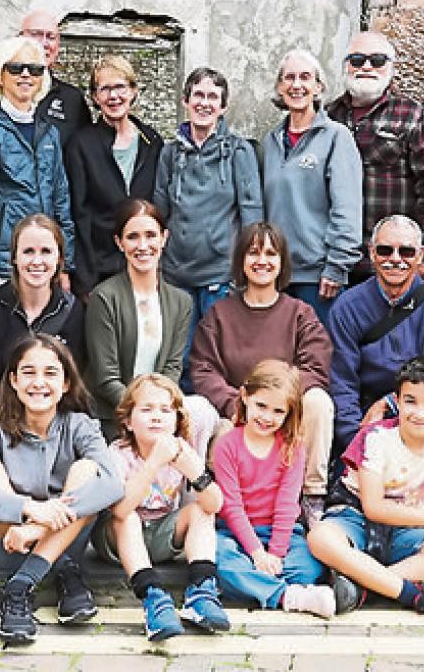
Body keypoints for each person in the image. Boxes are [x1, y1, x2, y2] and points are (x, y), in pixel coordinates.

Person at [0, 335, 123, 645]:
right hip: (6, 542)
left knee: (87, 471)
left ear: (66, 383)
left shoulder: (81, 425)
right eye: (28, 372)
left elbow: (112, 484)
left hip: (62, 538)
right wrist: (27, 509)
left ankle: (19, 587)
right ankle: (65, 571)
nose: (39, 382)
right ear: (13, 380)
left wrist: (38, 528)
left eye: (50, 373)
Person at [307, 357, 424, 622]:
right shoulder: (376, 437)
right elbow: (373, 507)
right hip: (356, 519)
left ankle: (365, 588)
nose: (419, 413)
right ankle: (416, 595)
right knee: (320, 537)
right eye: (410, 401)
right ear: (397, 402)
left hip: (405, 532)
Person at [189, 222, 334, 522]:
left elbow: (315, 366)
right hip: (236, 417)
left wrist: (275, 404)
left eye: (270, 253)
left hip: (285, 415)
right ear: (241, 260)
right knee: (201, 413)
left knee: (318, 401)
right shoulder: (220, 314)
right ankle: (219, 505)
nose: (262, 261)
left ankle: (312, 495)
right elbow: (204, 369)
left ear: (282, 263)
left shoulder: (299, 313)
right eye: (253, 253)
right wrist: (238, 405)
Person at [94, 374, 229, 641]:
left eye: (165, 410)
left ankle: (201, 591)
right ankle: (153, 597)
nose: (156, 417)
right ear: (128, 421)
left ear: (177, 420)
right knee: (128, 518)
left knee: (200, 510)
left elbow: (215, 504)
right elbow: (119, 510)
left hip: (161, 533)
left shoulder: (182, 451)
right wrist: (154, 461)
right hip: (117, 539)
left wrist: (195, 472)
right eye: (146, 409)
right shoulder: (117, 453)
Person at [328, 215, 424, 458]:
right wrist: (356, 443)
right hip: (368, 416)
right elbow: (341, 381)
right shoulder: (347, 307)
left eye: (406, 251)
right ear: (372, 253)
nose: (395, 259)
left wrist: (392, 403)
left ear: (421, 255)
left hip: (422, 411)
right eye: (385, 250)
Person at [85, 199, 218, 448]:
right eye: (133, 237)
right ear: (119, 243)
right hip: (114, 419)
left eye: (150, 235)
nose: (143, 245)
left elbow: (172, 368)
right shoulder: (104, 297)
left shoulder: (180, 302)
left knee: (203, 411)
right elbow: (106, 378)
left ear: (164, 238)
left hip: (160, 417)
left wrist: (158, 414)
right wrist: (140, 415)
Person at [0, 36, 75, 297]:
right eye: (16, 68)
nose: (26, 75)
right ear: (0, 76)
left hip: (43, 266)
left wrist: (64, 264)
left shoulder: (49, 134)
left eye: (35, 69)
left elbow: (61, 202)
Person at [213, 360, 335, 618]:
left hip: (280, 533)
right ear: (245, 396)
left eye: (278, 411)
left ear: (289, 412)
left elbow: (287, 505)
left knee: (308, 567)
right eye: (261, 406)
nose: (267, 417)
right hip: (236, 533)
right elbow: (231, 507)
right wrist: (257, 553)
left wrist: (276, 554)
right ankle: (288, 596)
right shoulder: (227, 445)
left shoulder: (292, 446)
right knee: (220, 558)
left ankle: (254, 585)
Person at [0, 9, 91, 218]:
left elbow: (79, 173)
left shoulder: (72, 100)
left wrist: (70, 230)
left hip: (49, 227)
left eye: (51, 36)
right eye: (36, 34)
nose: (43, 43)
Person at [326, 31, 424, 282]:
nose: (366, 67)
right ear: (346, 65)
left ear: (391, 67)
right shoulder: (329, 116)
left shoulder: (411, 114)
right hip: (338, 260)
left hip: (393, 260)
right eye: (357, 60)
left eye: (377, 60)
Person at [154, 67, 264, 332]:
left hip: (221, 278)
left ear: (222, 107)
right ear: (186, 100)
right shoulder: (170, 153)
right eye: (198, 95)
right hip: (176, 277)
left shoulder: (239, 151)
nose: (204, 103)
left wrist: (247, 269)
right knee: (181, 353)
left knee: (219, 351)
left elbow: (251, 214)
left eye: (212, 97)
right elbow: (159, 212)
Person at [262, 49, 364, 323]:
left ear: (318, 86)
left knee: (318, 349)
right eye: (289, 78)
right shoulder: (270, 142)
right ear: (279, 87)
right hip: (276, 275)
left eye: (305, 77)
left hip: (319, 279)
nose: (296, 85)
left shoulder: (336, 137)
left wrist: (337, 266)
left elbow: (347, 208)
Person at [0, 214, 85, 423]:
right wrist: (27, 417)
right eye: (28, 251)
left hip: (54, 421)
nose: (37, 261)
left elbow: (72, 380)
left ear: (59, 259)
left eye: (46, 251)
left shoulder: (73, 310)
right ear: (14, 257)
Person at [67, 55, 164, 296]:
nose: (114, 96)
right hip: (99, 270)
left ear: (133, 91)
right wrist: (84, 280)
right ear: (94, 97)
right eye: (105, 89)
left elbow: (161, 204)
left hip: (144, 265)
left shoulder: (152, 142)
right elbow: (78, 214)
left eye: (120, 87)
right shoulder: (81, 145)